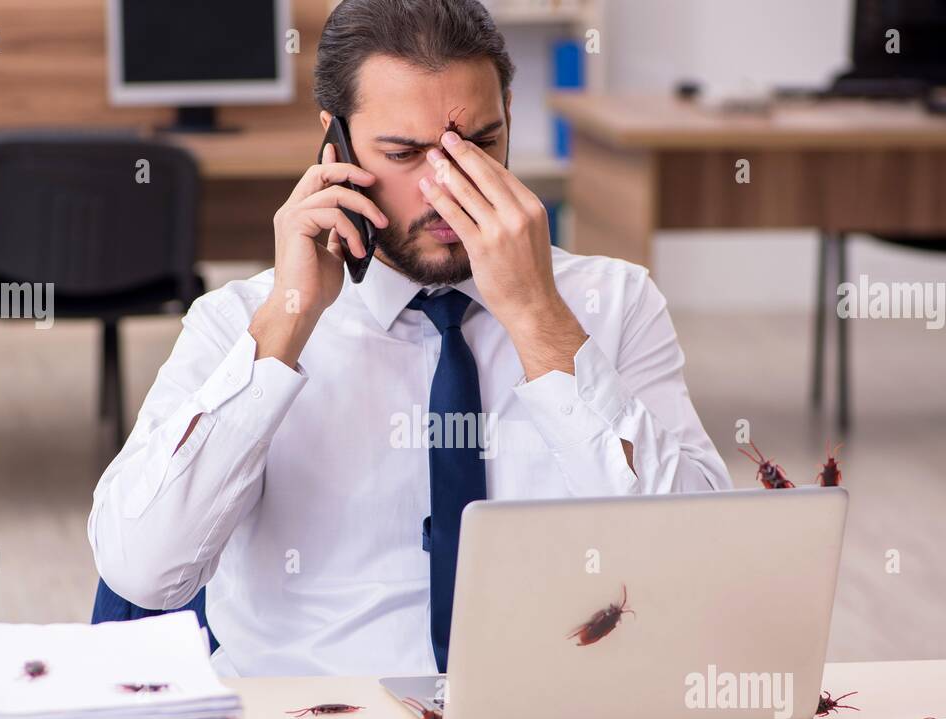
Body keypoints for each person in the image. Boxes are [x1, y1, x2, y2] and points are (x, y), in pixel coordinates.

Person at [88, 0, 731, 677]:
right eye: (403, 152)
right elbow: (141, 572)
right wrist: (286, 320)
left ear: (510, 114)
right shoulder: (238, 323)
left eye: (479, 144)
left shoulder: (614, 302)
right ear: (333, 145)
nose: (444, 186)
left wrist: (540, 319)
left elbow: (699, 567)